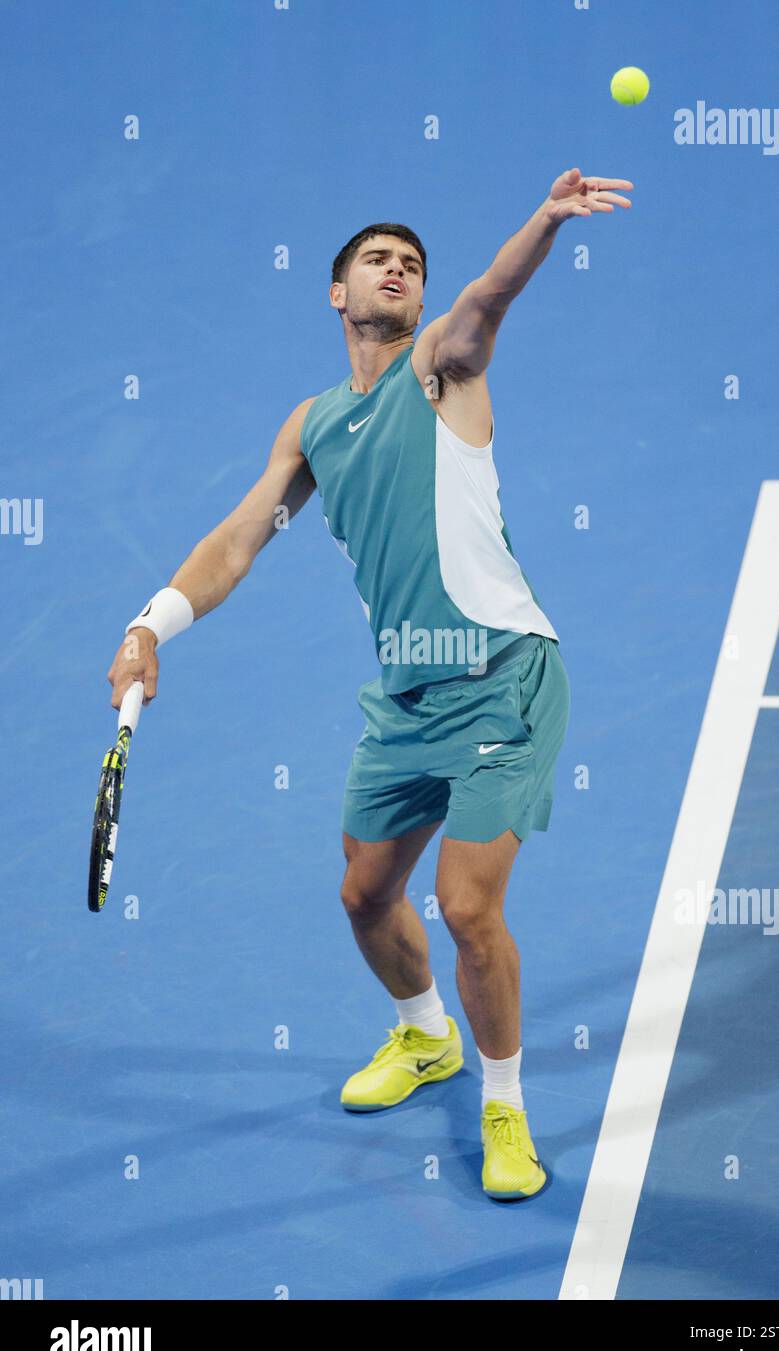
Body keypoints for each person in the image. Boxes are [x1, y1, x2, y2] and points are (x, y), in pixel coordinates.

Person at [107, 166, 633, 1200]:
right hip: (406, 698)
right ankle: (425, 1037)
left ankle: (504, 1106)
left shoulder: (442, 370)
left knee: (466, 906)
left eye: (412, 265)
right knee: (364, 893)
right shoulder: (312, 425)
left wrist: (545, 221)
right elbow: (237, 539)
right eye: (374, 261)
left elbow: (489, 296)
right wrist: (148, 623)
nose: (397, 269)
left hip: (503, 680)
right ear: (338, 295)